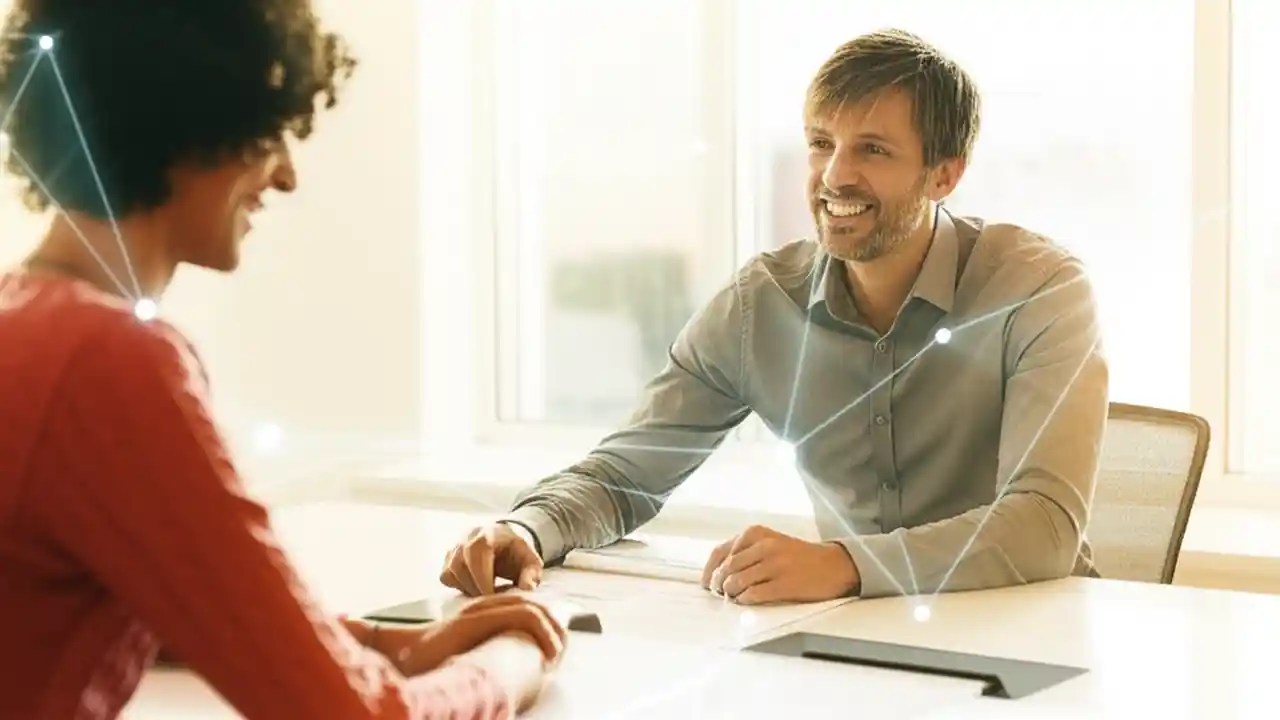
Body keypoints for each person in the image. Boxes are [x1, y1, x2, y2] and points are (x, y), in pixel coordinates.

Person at [0, 1, 566, 718]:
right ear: (190, 121)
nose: (287, 176)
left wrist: (390, 645)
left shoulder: (22, 325)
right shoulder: (106, 364)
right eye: (269, 134)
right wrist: (514, 661)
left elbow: (168, 605)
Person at [441, 29, 1109, 604]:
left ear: (944, 175)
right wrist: (527, 530)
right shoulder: (761, 305)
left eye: (872, 150)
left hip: (1037, 638)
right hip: (858, 640)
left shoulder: (1039, 288)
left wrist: (845, 565)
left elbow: (1044, 526)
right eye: (822, 143)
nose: (833, 177)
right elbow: (623, 476)